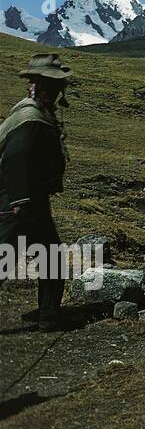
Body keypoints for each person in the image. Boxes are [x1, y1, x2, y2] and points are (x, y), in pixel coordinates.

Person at [0, 53, 71, 330]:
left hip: (32, 198)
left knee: (51, 254)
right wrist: (19, 201)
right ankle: (49, 313)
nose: (57, 90)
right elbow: (15, 158)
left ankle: (49, 314)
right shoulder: (31, 117)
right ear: (39, 86)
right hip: (16, 198)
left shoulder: (39, 112)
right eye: (52, 85)